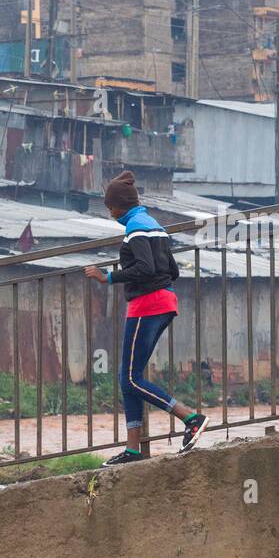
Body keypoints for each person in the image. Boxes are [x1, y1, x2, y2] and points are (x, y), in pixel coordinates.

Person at [85, 171, 208, 466]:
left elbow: (146, 267)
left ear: (119, 205)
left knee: (129, 377)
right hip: (163, 302)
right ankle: (133, 450)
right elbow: (172, 271)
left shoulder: (136, 228)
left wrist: (108, 277)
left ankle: (190, 417)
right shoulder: (153, 225)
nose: (108, 210)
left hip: (147, 305)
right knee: (129, 379)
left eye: (109, 205)